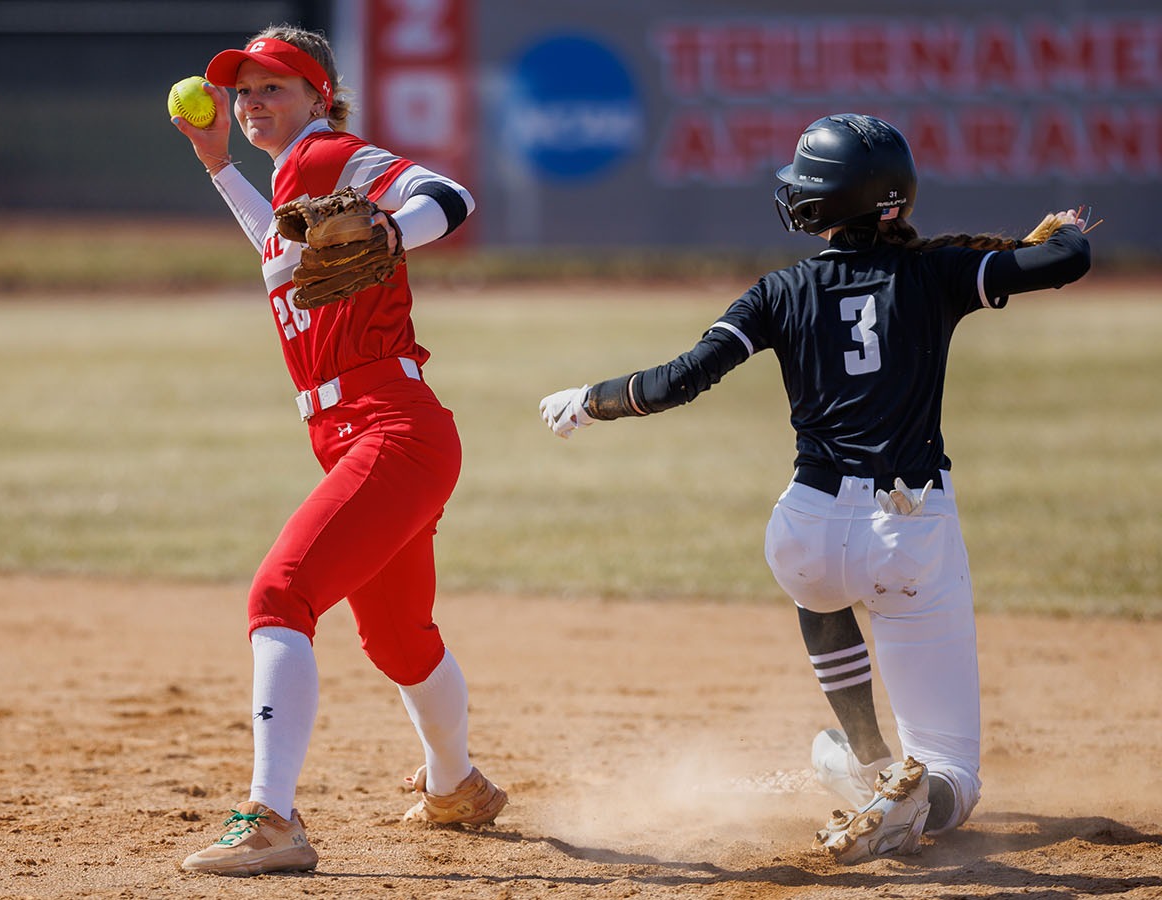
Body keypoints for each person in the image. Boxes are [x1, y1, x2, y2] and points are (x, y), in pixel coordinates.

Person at [537, 113, 1092, 864]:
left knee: (820, 585)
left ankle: (868, 761)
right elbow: (1066, 260)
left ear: (820, 203)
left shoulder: (780, 290)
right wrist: (1067, 228)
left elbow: (676, 382)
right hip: (907, 534)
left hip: (803, 530)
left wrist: (589, 400)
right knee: (953, 776)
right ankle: (912, 800)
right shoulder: (937, 270)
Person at [169, 25, 506, 876]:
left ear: (319, 96)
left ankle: (272, 818)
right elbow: (277, 248)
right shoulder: (295, 177)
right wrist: (219, 166)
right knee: (396, 638)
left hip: (388, 427)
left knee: (280, 594)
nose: (251, 101)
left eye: (273, 87)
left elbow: (448, 195)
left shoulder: (327, 155)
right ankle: (456, 785)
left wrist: (392, 230)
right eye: (243, 89)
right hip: (383, 431)